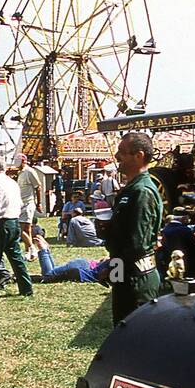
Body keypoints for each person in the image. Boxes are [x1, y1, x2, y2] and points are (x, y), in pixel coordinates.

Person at [100, 132, 163, 322]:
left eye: (122, 152)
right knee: (120, 326)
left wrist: (113, 269)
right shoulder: (131, 189)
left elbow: (137, 245)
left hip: (136, 278)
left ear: (139, 155)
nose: (117, 157)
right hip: (124, 274)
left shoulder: (142, 192)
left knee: (133, 338)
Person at [0, 158, 33, 296]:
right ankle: (26, 288)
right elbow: (20, 203)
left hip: (1, 222)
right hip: (14, 221)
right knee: (16, 257)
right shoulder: (13, 182)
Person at [32, 234, 108, 283]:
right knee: (48, 275)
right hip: (82, 269)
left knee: (53, 272)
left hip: (85, 263)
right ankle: (44, 250)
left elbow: (103, 260)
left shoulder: (113, 260)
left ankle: (46, 250)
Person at [15, 154, 43, 260]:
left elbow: (38, 187)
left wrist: (39, 203)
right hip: (20, 203)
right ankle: (28, 251)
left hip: (28, 203)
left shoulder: (29, 171)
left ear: (24, 161)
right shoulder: (20, 173)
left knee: (19, 228)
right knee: (27, 229)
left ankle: (32, 248)